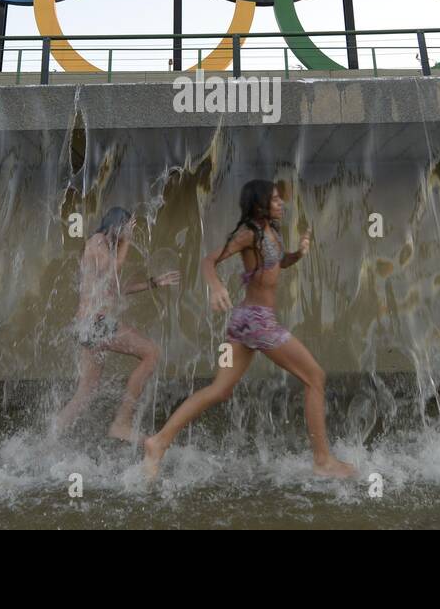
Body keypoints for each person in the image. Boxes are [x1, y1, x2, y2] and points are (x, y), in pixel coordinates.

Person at [144, 180, 355, 479]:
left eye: (280, 199)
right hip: (258, 323)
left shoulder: (272, 232)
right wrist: (216, 287)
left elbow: (277, 264)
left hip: (245, 321)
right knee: (315, 377)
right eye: (275, 200)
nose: (281, 203)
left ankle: (157, 442)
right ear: (259, 205)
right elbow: (208, 261)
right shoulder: (248, 233)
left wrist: (299, 253)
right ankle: (323, 461)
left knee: (220, 389)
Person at [54, 207, 180, 443]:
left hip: (90, 325)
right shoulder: (97, 242)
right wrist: (127, 243)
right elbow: (112, 271)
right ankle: (121, 423)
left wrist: (154, 282)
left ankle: (50, 437)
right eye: (128, 227)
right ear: (117, 225)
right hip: (96, 323)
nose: (130, 232)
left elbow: (116, 289)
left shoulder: (104, 246)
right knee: (151, 353)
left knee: (86, 391)